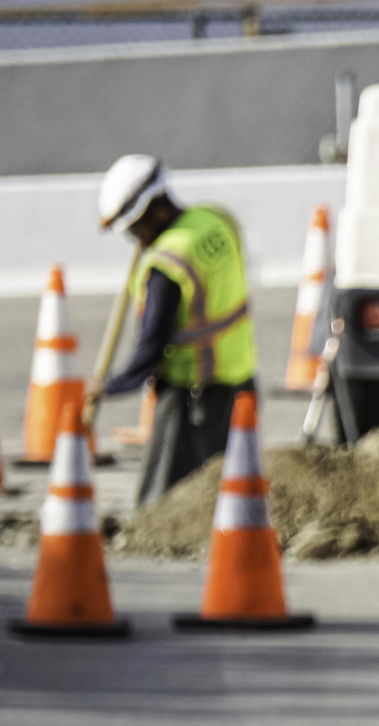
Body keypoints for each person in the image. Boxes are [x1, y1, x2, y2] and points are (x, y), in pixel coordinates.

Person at [92, 154, 258, 506]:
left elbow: (150, 345)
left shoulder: (167, 263)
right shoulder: (216, 219)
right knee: (234, 492)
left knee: (164, 502)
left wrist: (110, 385)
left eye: (135, 230)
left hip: (192, 394)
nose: (136, 240)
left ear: (156, 211)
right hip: (241, 378)